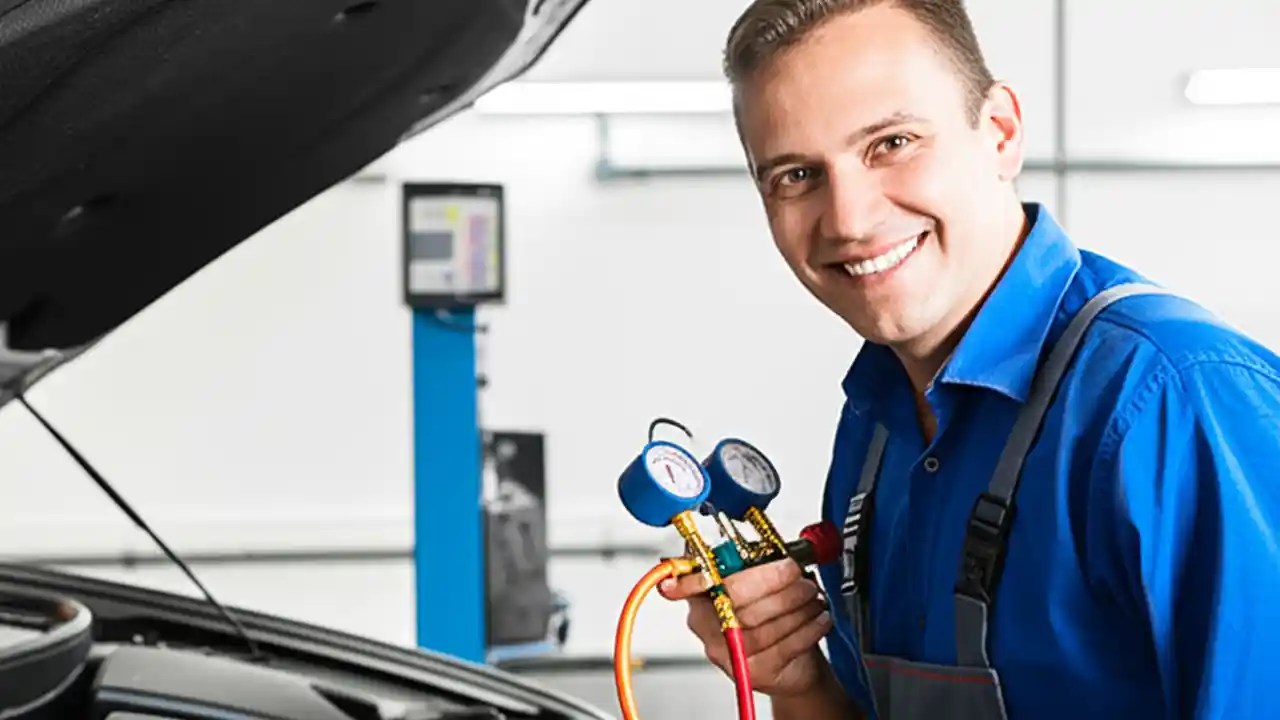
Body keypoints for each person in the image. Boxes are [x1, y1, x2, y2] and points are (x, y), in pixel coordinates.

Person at [658, 1, 1280, 718]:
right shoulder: (874, 430)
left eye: (891, 143)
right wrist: (799, 683)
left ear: (1001, 133)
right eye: (797, 175)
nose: (851, 220)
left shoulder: (1177, 401)